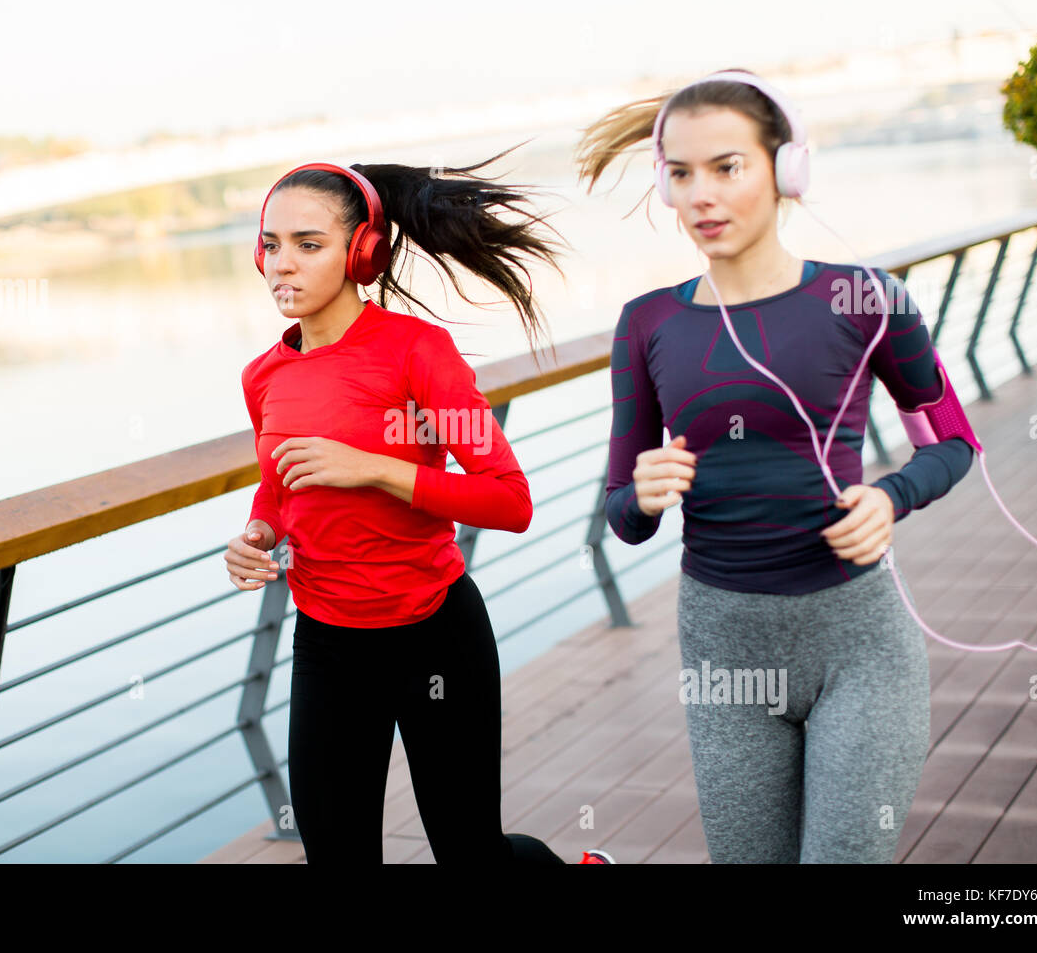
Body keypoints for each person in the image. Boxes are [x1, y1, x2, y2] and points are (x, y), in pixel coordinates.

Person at [574, 69, 976, 863]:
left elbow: (955, 442)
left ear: (786, 171)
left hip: (859, 647)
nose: (701, 196)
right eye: (681, 174)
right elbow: (621, 512)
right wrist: (644, 496)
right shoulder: (647, 324)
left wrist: (892, 496)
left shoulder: (867, 300)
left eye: (728, 167)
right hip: (722, 653)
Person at [225, 153, 613, 864]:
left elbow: (509, 499)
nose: (282, 263)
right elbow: (280, 486)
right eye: (270, 244)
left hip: (433, 634)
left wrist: (375, 469)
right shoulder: (264, 375)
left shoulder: (418, 354)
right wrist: (257, 532)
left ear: (362, 252)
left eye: (308, 245)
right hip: (327, 643)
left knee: (471, 853)